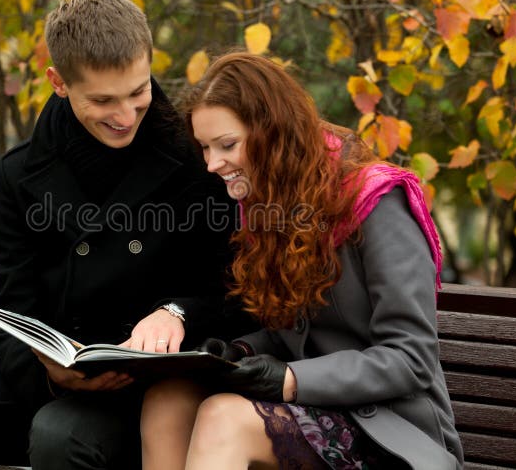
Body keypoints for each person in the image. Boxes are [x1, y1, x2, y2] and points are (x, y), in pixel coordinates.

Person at [0, 0, 245, 470]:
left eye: (137, 92)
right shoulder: (21, 173)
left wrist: (175, 312)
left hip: (154, 395)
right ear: (58, 83)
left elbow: (231, 289)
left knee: (59, 434)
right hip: (49, 381)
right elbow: (13, 304)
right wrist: (49, 374)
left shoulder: (196, 157)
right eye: (103, 100)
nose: (125, 116)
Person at [140, 52, 464, 469]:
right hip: (311, 410)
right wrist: (237, 352)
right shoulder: (267, 205)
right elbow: (293, 333)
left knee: (224, 418)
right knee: (168, 397)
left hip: (392, 434)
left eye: (227, 145)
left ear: (273, 131)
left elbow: (411, 358)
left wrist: (290, 380)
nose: (211, 163)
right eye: (204, 148)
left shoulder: (378, 200)